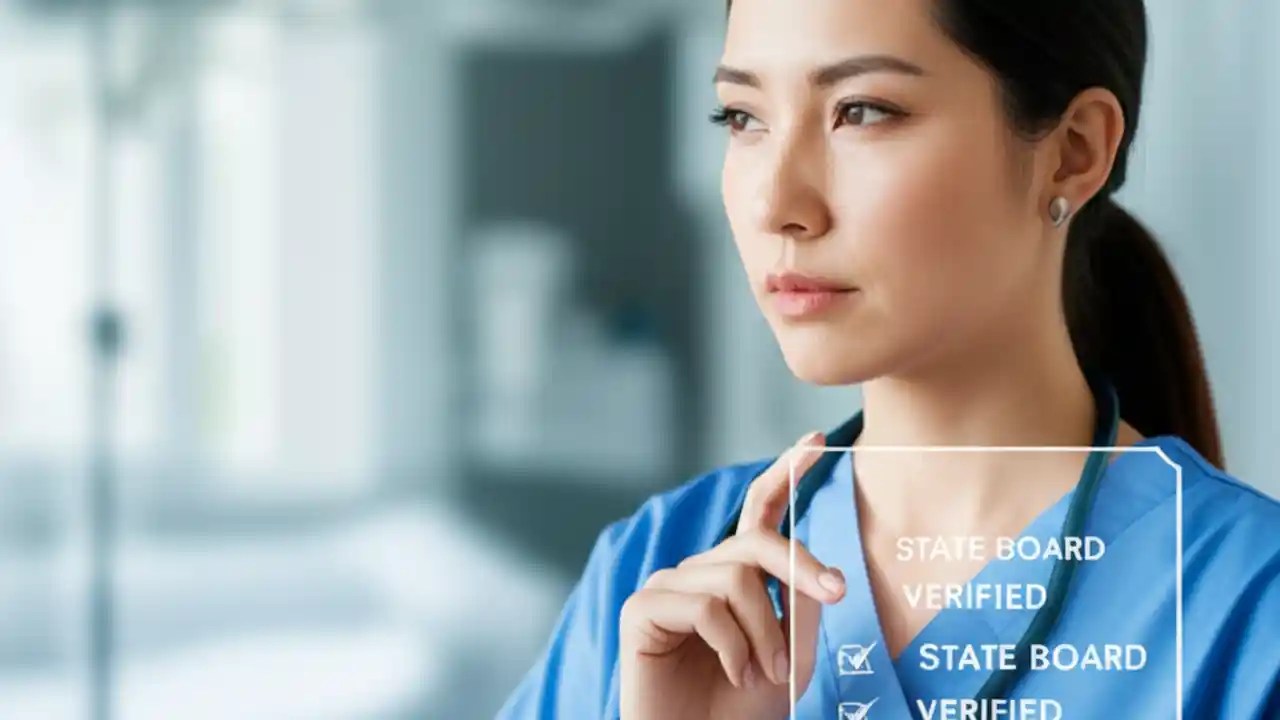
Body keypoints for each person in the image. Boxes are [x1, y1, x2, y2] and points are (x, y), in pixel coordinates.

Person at [497, 0, 1280, 717]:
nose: (778, 205)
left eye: (861, 112)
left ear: (1073, 153)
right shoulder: (652, 570)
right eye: (742, 117)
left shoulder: (1249, 612)